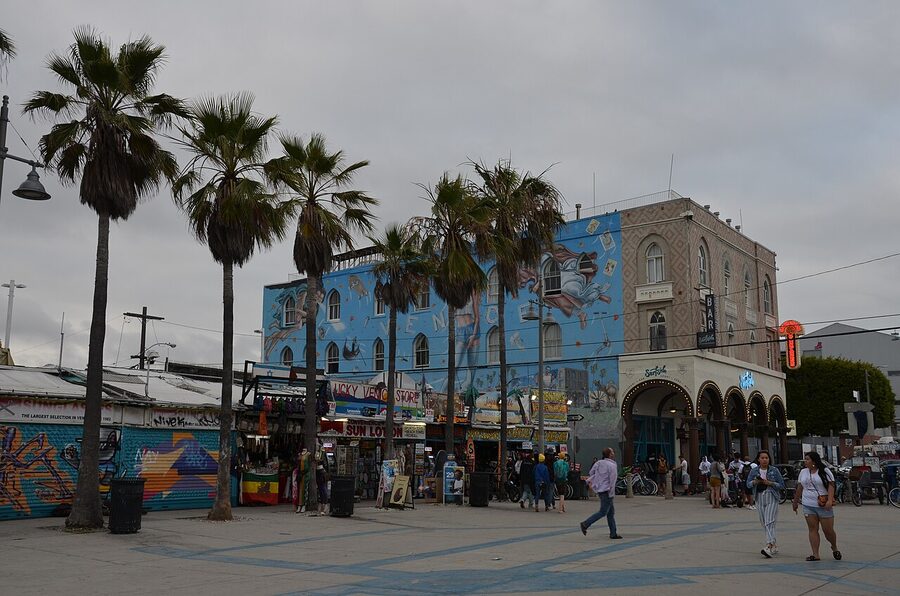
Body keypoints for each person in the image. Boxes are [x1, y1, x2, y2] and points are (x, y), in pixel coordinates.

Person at [793, 451, 841, 562]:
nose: (805, 461)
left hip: (823, 505)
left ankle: (834, 546)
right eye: (805, 459)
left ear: (814, 461)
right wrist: (795, 502)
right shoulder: (803, 472)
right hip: (808, 504)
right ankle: (815, 554)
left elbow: (831, 485)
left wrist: (830, 500)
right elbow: (800, 487)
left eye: (808, 459)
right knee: (813, 529)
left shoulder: (825, 471)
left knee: (828, 531)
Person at [746, 450, 784, 558]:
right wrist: (755, 482)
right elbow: (748, 484)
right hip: (759, 497)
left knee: (769, 521)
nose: (764, 460)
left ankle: (769, 544)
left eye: (766, 458)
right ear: (758, 459)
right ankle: (774, 543)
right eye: (762, 458)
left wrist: (770, 483)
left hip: (771, 496)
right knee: (764, 521)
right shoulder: (754, 471)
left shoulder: (774, 470)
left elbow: (781, 484)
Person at [580, 447, 622, 539]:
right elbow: (612, 480)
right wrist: (611, 492)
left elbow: (591, 472)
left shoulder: (598, 463)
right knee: (603, 512)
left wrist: (598, 479)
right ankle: (585, 524)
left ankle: (613, 533)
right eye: (612, 452)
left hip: (600, 490)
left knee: (611, 512)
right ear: (610, 454)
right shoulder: (612, 465)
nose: (614, 454)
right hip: (607, 491)